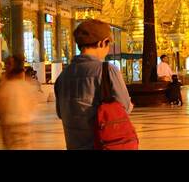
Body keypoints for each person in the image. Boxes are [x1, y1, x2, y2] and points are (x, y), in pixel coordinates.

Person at [53, 19, 133, 150]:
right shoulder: (107, 70)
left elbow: (60, 113)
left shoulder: (63, 76)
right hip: (103, 144)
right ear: (102, 43)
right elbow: (124, 107)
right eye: (109, 44)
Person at [0, 54, 42, 149]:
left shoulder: (5, 87)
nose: (6, 68)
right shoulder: (27, 86)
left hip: (14, 129)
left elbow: (1, 112)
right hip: (23, 129)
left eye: (8, 65)